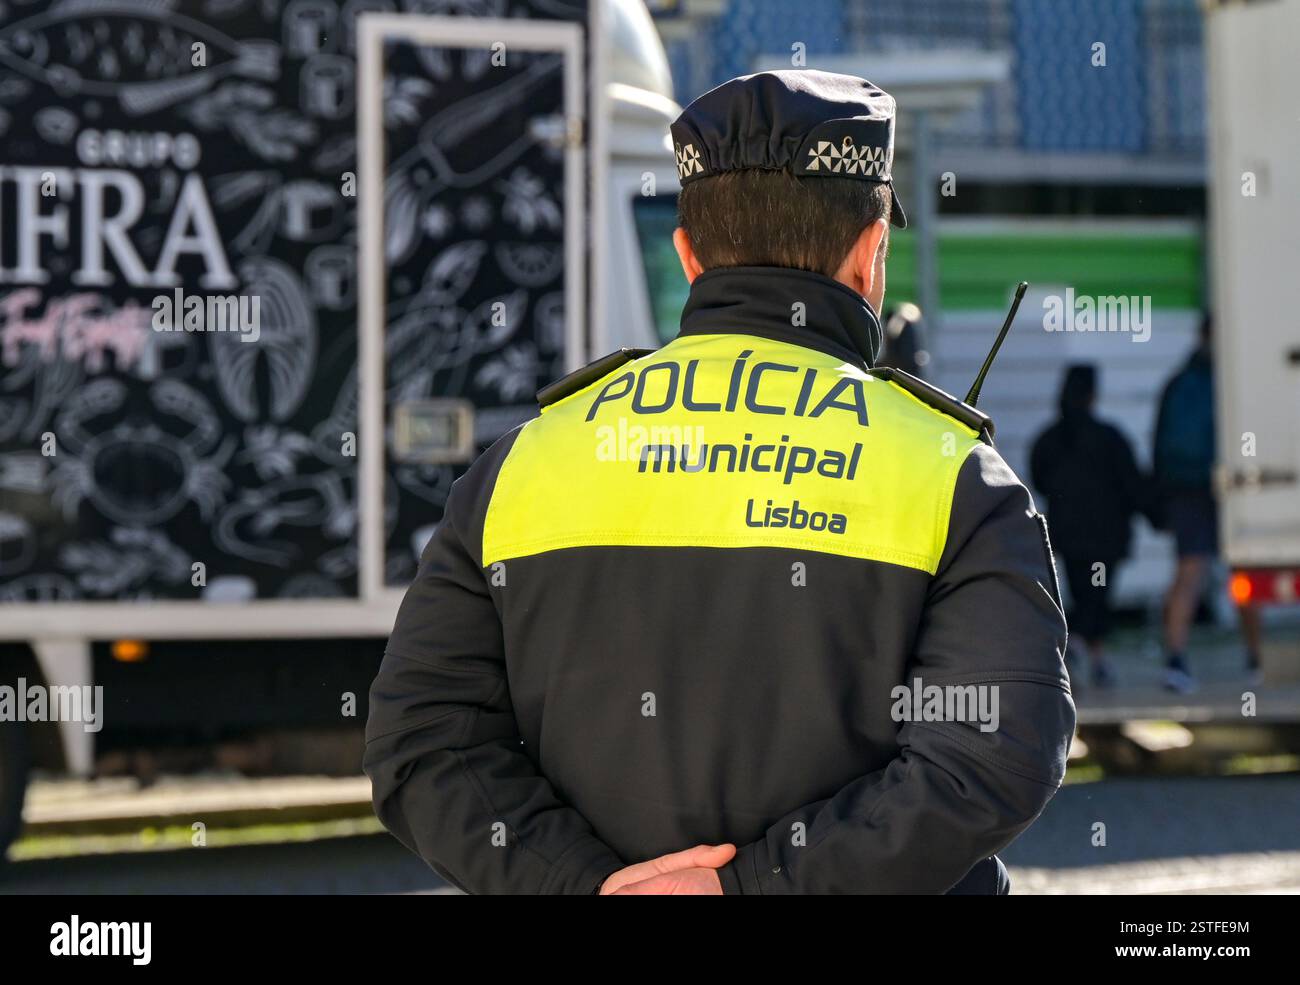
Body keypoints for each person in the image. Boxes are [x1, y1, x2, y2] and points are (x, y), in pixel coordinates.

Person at [364, 70, 1075, 895]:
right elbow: (994, 753)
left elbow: (421, 743)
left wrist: (587, 885)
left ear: (687, 253)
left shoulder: (527, 459)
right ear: (871, 252)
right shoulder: (953, 473)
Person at [1153, 315, 1261, 692]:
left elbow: (1159, 448)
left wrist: (1160, 501)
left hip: (1186, 491)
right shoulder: (1233, 378)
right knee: (1246, 571)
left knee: (1189, 572)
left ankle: (1176, 660)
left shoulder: (1178, 381)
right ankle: (1255, 659)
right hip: (1231, 484)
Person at [1030, 365, 1147, 688]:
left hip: (1068, 538)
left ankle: (1093, 659)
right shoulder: (1109, 438)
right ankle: (1080, 649)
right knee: (1097, 599)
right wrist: (1155, 513)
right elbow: (1132, 483)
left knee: (1082, 595)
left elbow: (1039, 480)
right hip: (1105, 538)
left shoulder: (1050, 439)